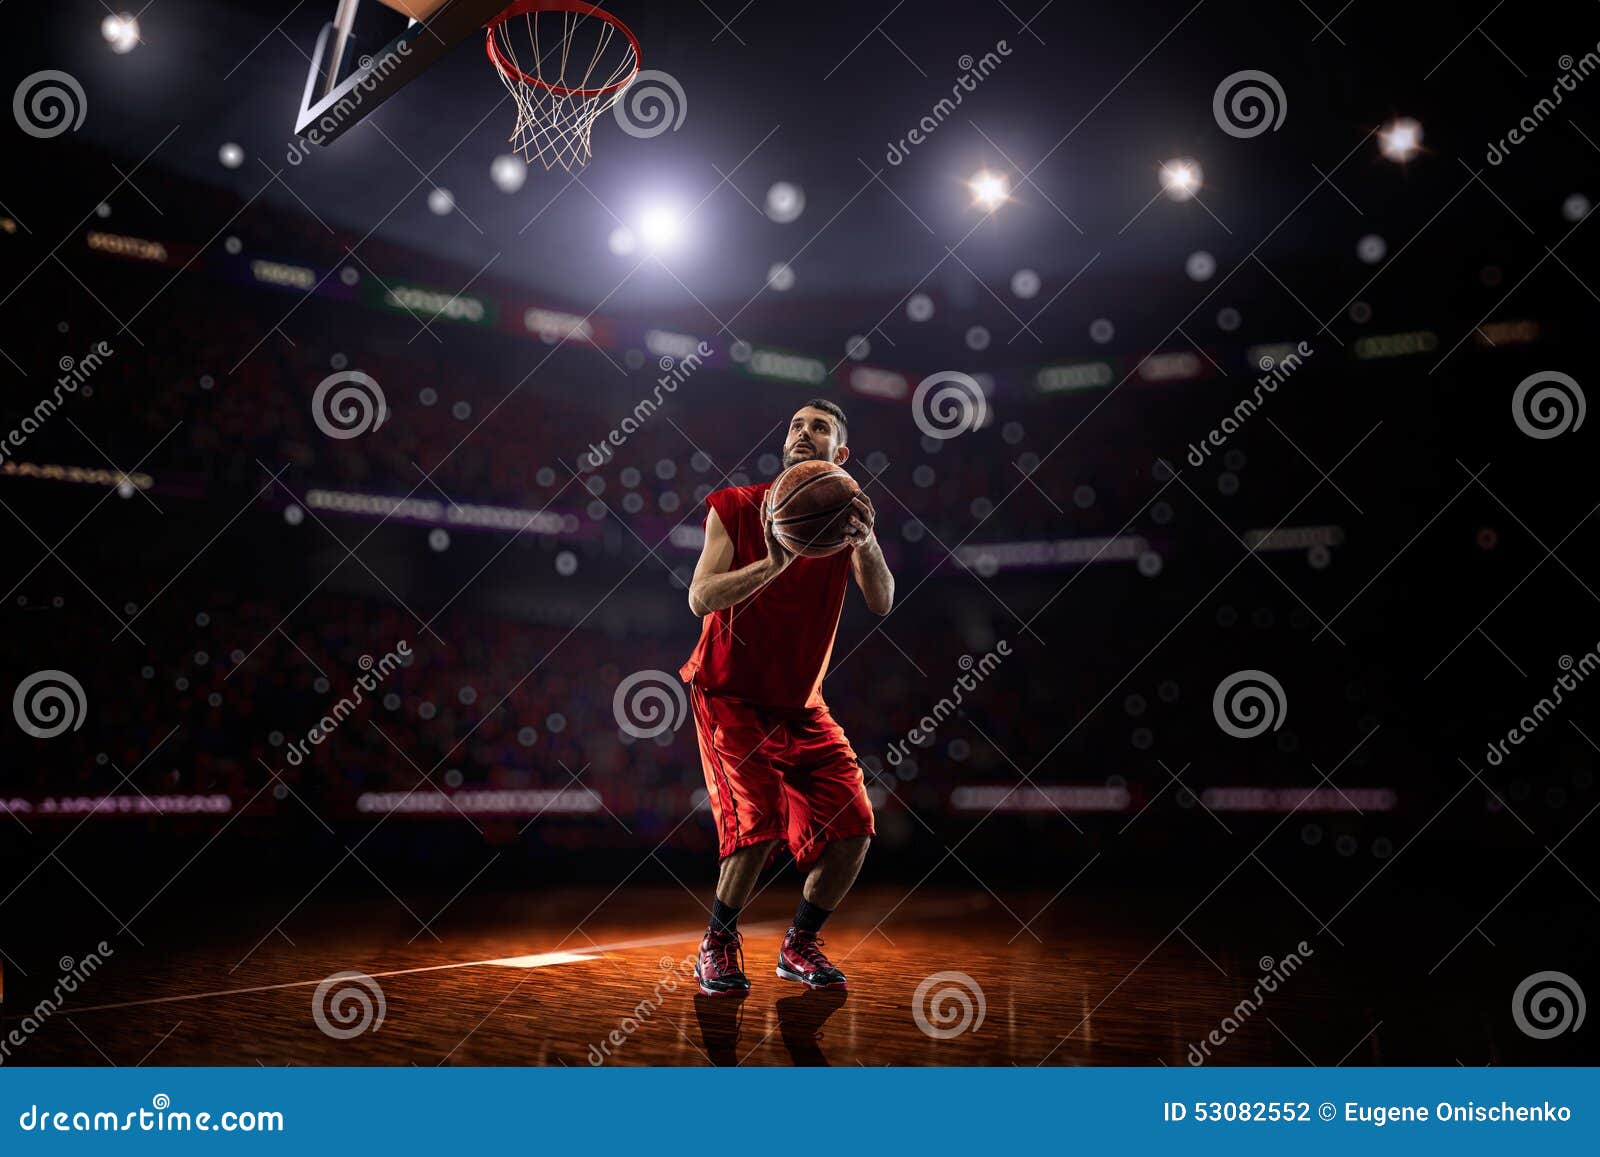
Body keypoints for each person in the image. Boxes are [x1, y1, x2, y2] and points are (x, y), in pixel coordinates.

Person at [679, 399, 894, 996]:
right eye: (796, 426)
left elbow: (882, 601)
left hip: (802, 704)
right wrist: (776, 562)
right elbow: (701, 597)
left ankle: (799, 945)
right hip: (730, 696)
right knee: (761, 822)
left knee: (854, 828)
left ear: (840, 454)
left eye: (819, 428)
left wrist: (869, 543)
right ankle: (717, 943)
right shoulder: (737, 506)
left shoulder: (847, 524)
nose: (803, 434)